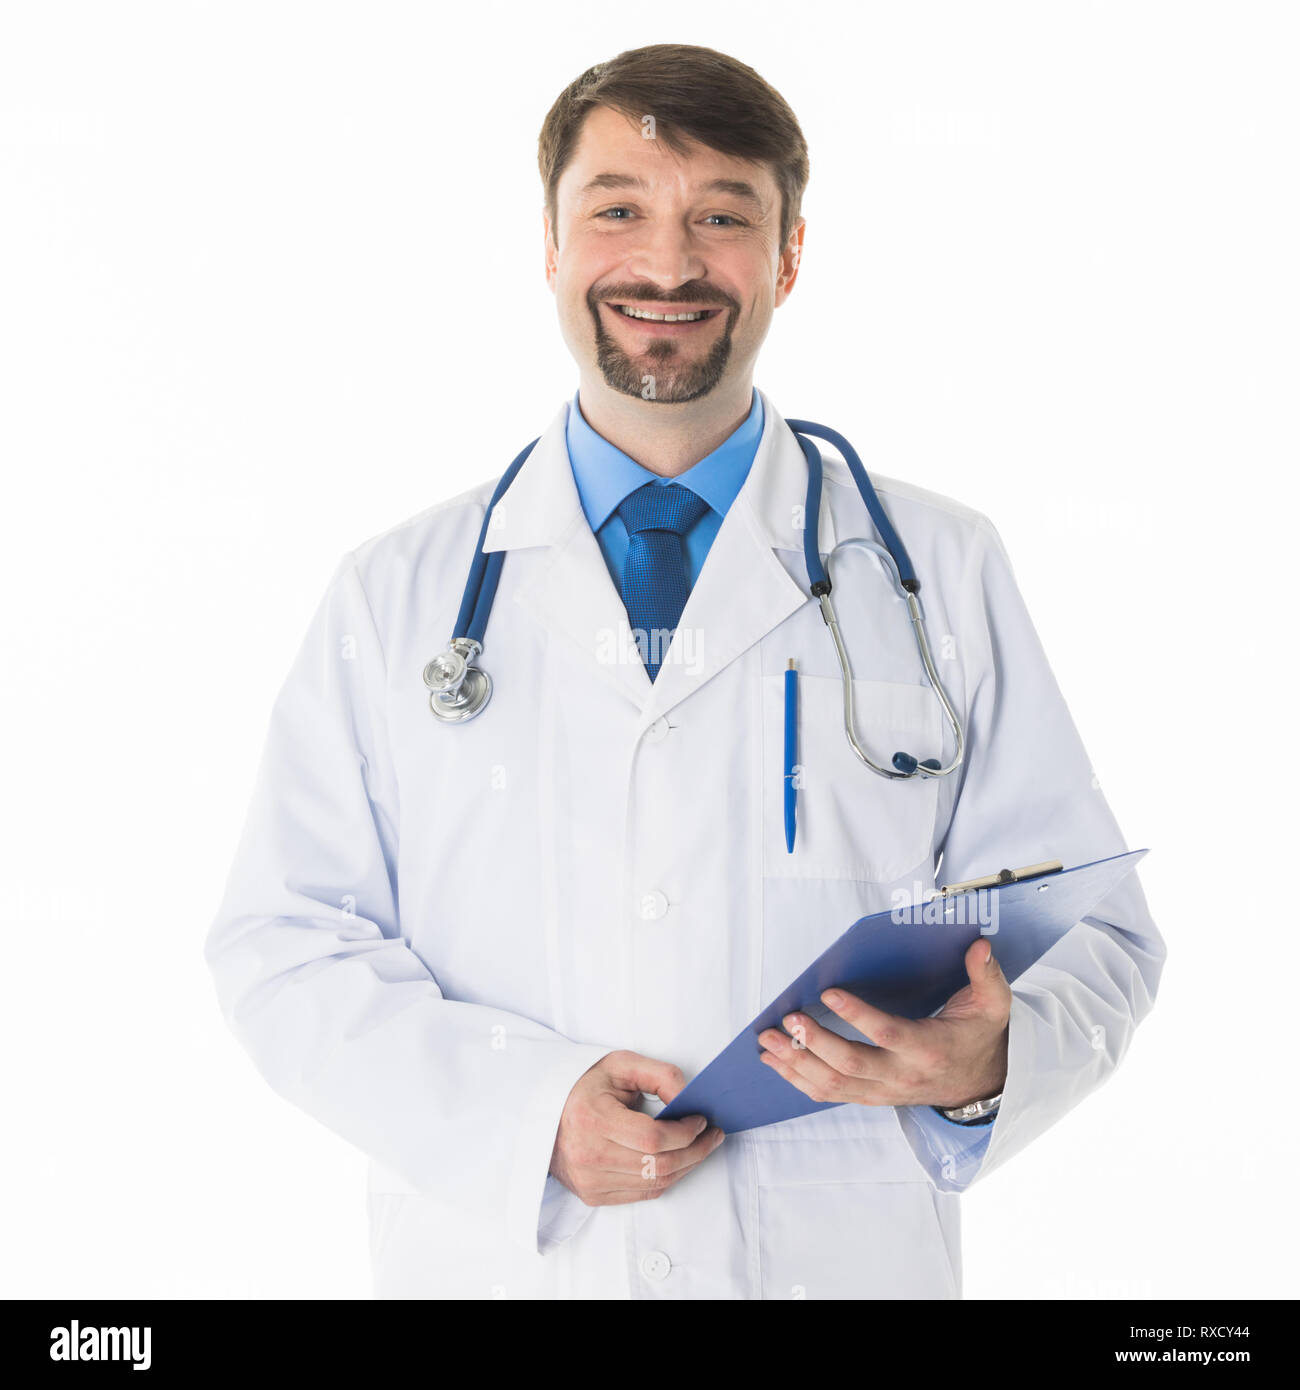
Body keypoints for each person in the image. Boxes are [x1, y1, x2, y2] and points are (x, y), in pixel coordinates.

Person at [205, 42, 1165, 1300]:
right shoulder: (396, 593)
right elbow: (283, 942)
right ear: (548, 244)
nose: (666, 264)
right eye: (618, 211)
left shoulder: (940, 566)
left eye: (722, 216)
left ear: (789, 256)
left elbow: (1091, 926)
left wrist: (988, 1061)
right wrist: (526, 1111)